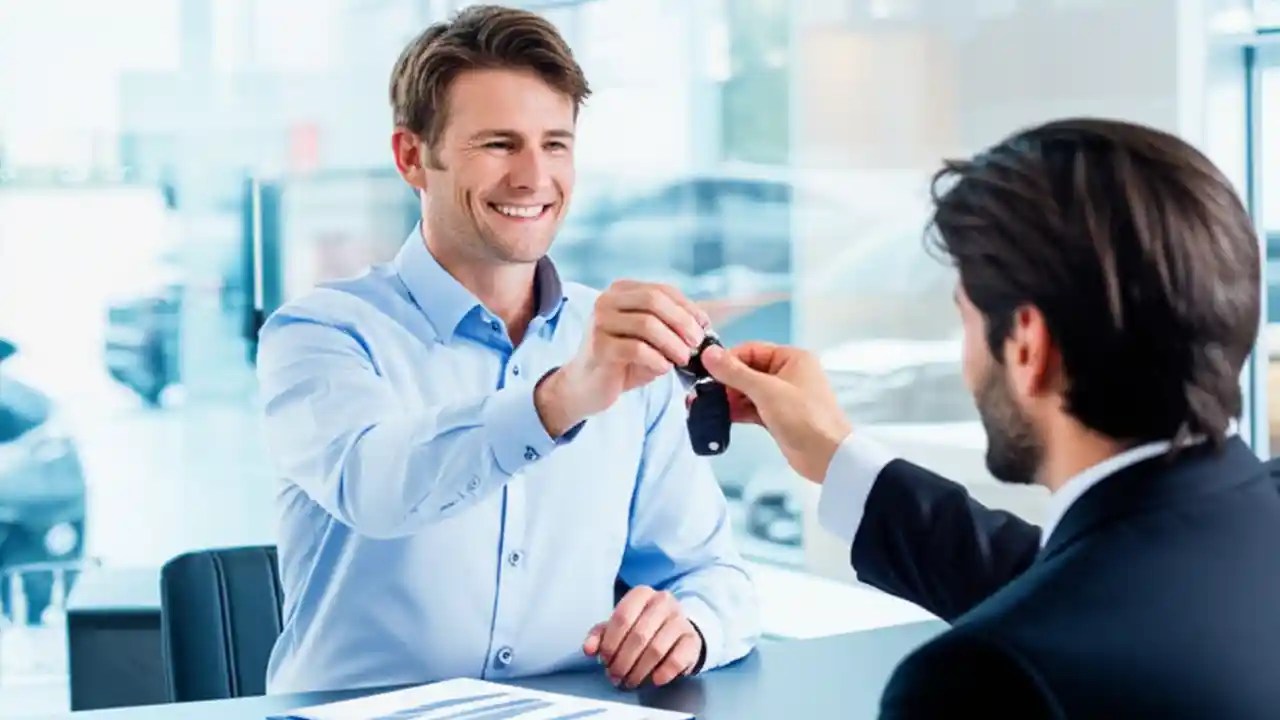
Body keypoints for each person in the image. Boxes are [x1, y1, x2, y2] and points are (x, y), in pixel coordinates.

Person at [700, 118, 1280, 718]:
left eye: (967, 319)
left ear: (1027, 346)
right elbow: (1072, 581)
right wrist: (834, 453)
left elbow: (1062, 606)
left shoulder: (976, 683)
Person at [255, 5, 757, 694]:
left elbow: (711, 574)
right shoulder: (321, 335)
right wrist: (561, 398)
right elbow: (375, 487)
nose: (533, 177)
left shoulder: (614, 342)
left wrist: (691, 627)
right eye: (498, 144)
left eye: (555, 144)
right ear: (412, 157)